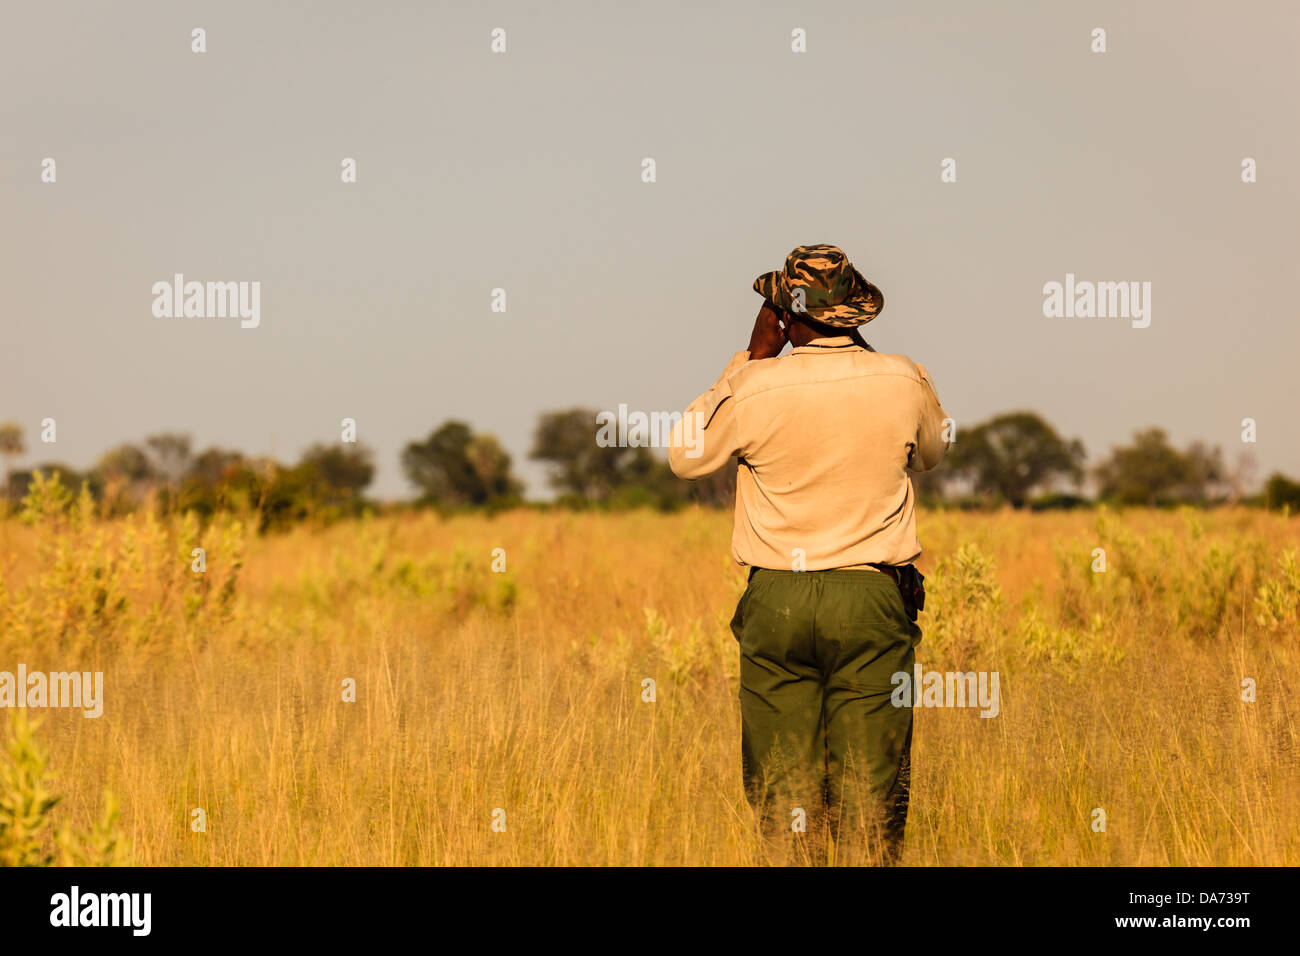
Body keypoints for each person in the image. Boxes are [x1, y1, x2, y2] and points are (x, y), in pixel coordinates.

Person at [668, 243, 951, 864]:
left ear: (783, 316)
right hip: (873, 598)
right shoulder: (905, 377)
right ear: (855, 312)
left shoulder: (754, 387)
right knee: (871, 796)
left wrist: (746, 361)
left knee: (783, 798)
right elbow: (931, 452)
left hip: (779, 603)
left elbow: (684, 455)